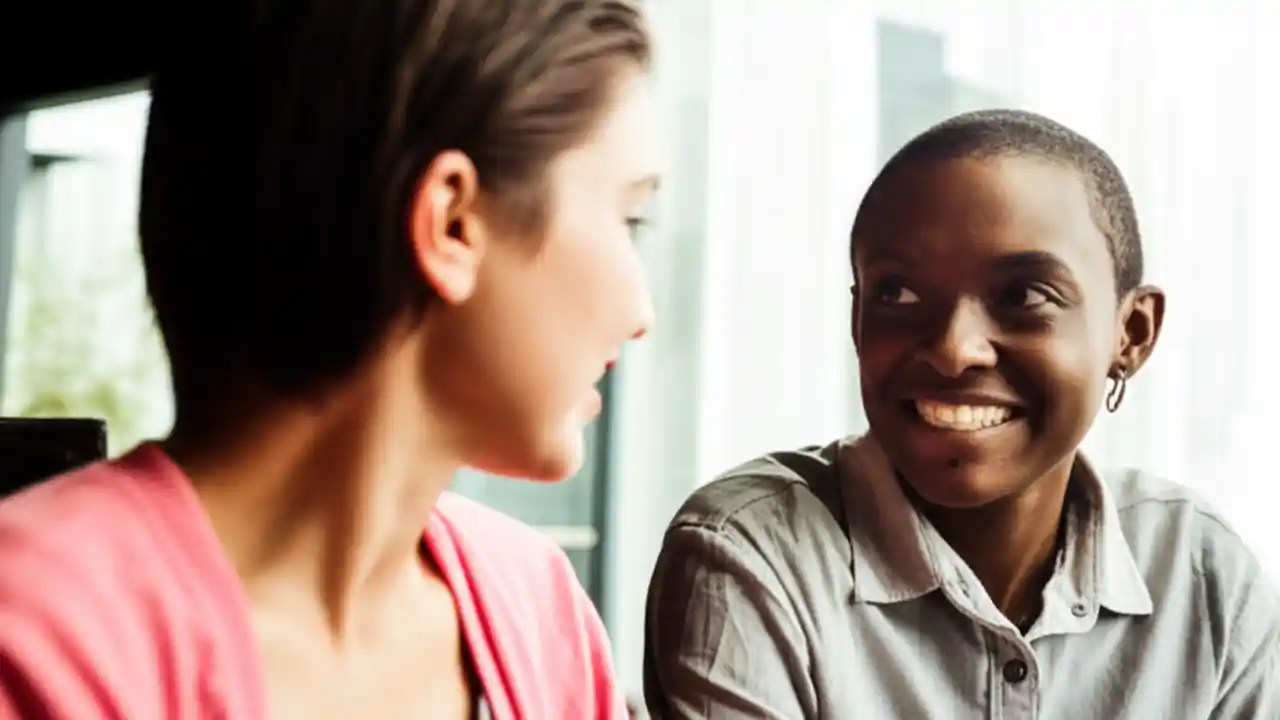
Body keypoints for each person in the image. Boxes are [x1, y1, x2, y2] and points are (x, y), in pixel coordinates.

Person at [0, 0, 660, 718]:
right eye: (628, 219)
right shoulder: (36, 639)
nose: (642, 315)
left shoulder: (542, 618)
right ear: (452, 223)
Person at [644, 109, 1278, 719]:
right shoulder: (754, 555)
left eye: (1025, 295)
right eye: (899, 293)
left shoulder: (1200, 573)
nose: (953, 350)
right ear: (857, 316)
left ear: (1131, 334)